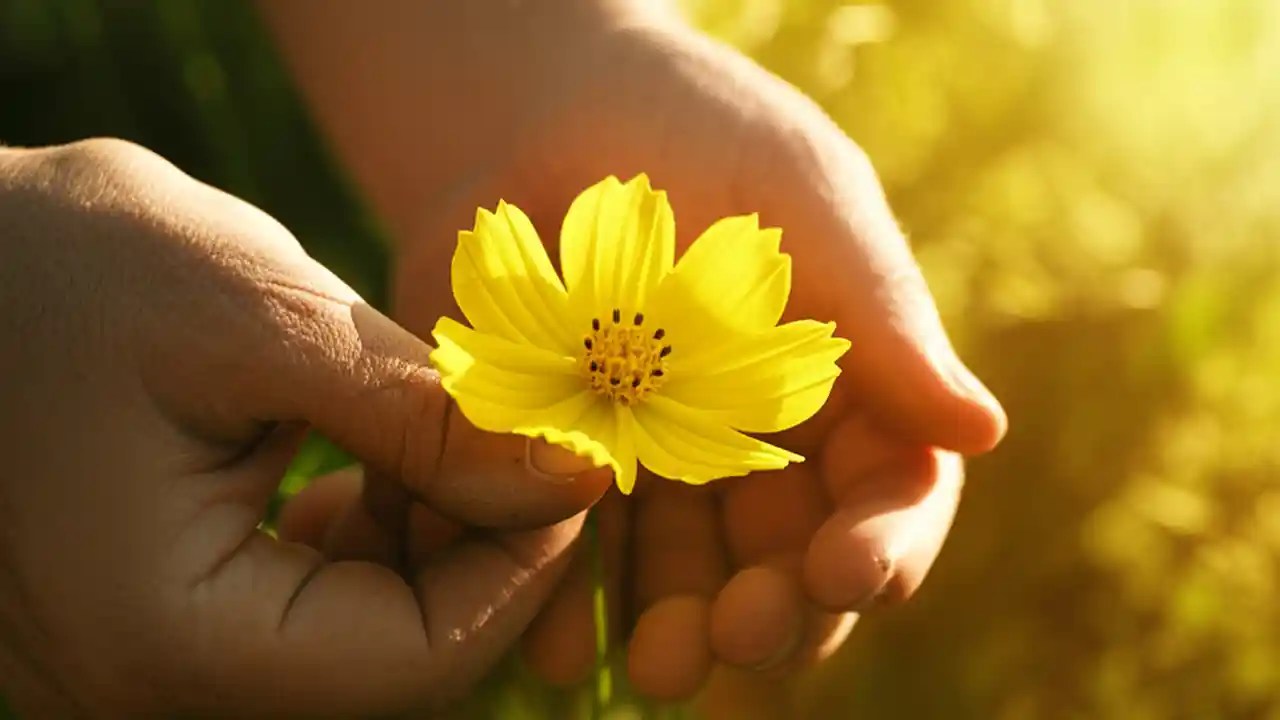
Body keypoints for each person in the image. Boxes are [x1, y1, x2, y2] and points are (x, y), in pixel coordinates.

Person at [0, 1, 1005, 716]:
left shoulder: (688, 380)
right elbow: (473, 372)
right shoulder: (541, 364)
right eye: (616, 353)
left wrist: (561, 55)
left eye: (627, 357)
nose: (618, 361)